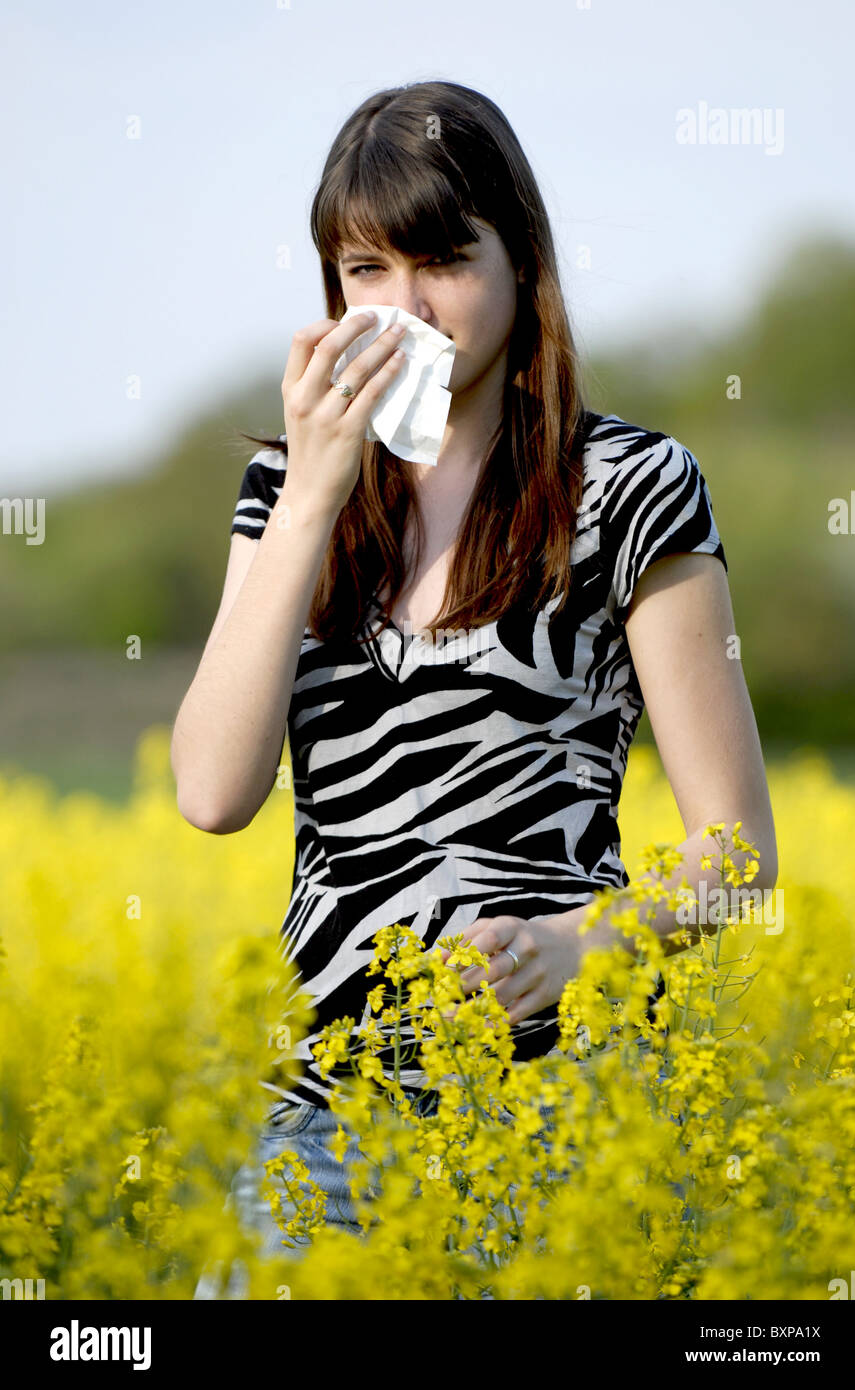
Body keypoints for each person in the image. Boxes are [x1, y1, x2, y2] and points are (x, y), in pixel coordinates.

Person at [172, 79, 777, 1292]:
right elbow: (211, 791)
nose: (402, 309)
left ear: (520, 259)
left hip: (570, 1102)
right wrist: (312, 495)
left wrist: (579, 941)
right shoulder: (287, 499)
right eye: (363, 270)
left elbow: (740, 855)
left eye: (443, 259)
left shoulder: (632, 487)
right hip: (327, 1117)